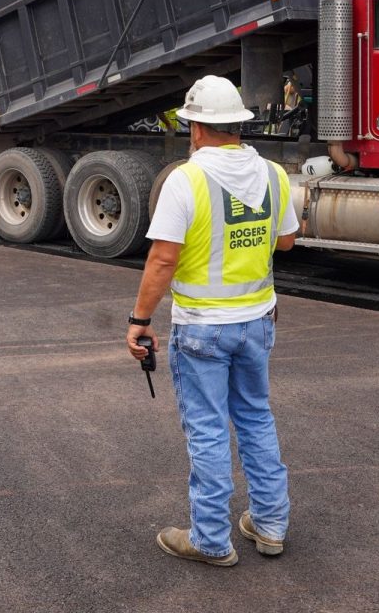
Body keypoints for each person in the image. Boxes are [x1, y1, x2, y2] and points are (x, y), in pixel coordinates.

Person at [126, 75, 297, 566]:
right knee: (256, 419)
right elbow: (285, 240)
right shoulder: (273, 175)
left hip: (202, 327)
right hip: (257, 320)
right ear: (237, 124)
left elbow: (162, 260)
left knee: (207, 430)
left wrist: (140, 320)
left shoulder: (187, 179)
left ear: (195, 127)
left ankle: (209, 539)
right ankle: (269, 526)